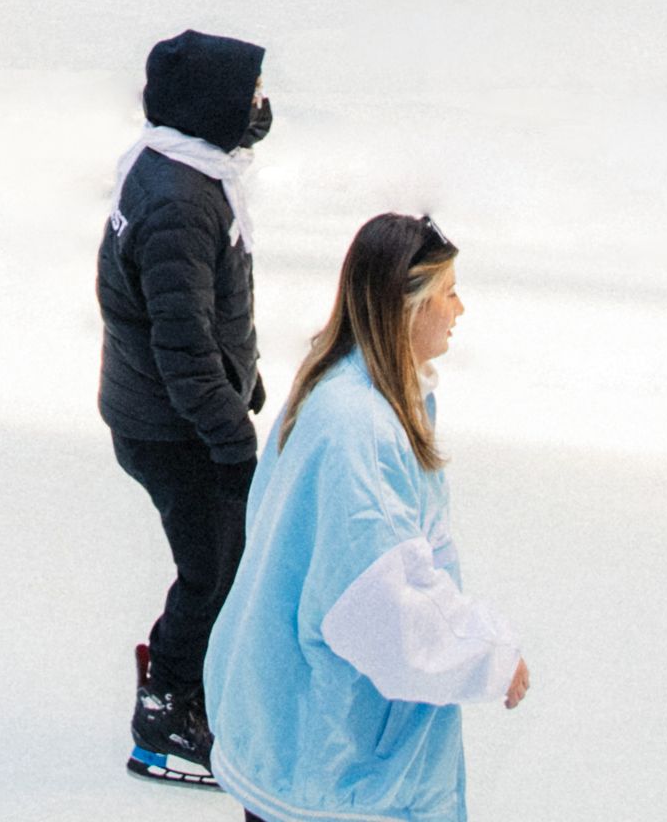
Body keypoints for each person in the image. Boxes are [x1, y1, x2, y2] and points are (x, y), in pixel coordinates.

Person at [205, 213, 526, 819]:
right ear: (407, 308)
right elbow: (378, 607)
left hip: (293, 725)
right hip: (332, 753)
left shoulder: (346, 390)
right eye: (447, 293)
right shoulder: (362, 430)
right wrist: (487, 656)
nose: (460, 309)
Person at [100, 29, 271, 791]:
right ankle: (166, 713)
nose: (262, 108)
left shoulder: (186, 175)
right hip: (172, 426)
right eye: (251, 96)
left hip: (176, 413)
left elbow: (203, 316)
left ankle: (187, 679)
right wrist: (234, 439)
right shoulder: (179, 205)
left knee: (220, 560)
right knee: (214, 568)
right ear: (213, 109)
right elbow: (183, 349)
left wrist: (248, 378)